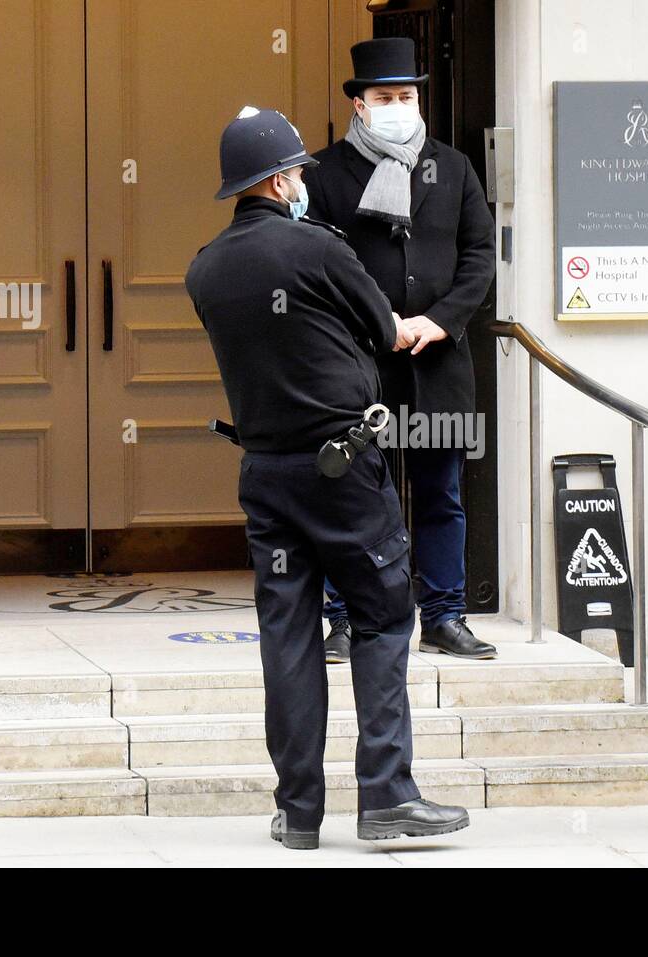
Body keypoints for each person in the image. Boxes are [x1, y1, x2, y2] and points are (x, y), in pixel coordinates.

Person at [184, 105, 471, 850]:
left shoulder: (205, 269)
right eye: (301, 171)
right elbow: (383, 329)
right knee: (382, 614)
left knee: (288, 636)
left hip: (265, 473)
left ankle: (298, 811)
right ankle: (386, 795)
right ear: (281, 180)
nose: (306, 180)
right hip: (341, 470)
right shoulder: (317, 248)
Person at [302, 37, 497, 664]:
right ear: (359, 104)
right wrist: (381, 320)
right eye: (383, 97)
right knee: (353, 496)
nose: (396, 105)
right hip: (360, 364)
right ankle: (345, 618)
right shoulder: (325, 174)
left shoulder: (454, 167)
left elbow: (478, 256)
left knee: (441, 495)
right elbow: (317, 266)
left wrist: (439, 321)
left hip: (438, 362)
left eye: (405, 96)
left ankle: (444, 615)